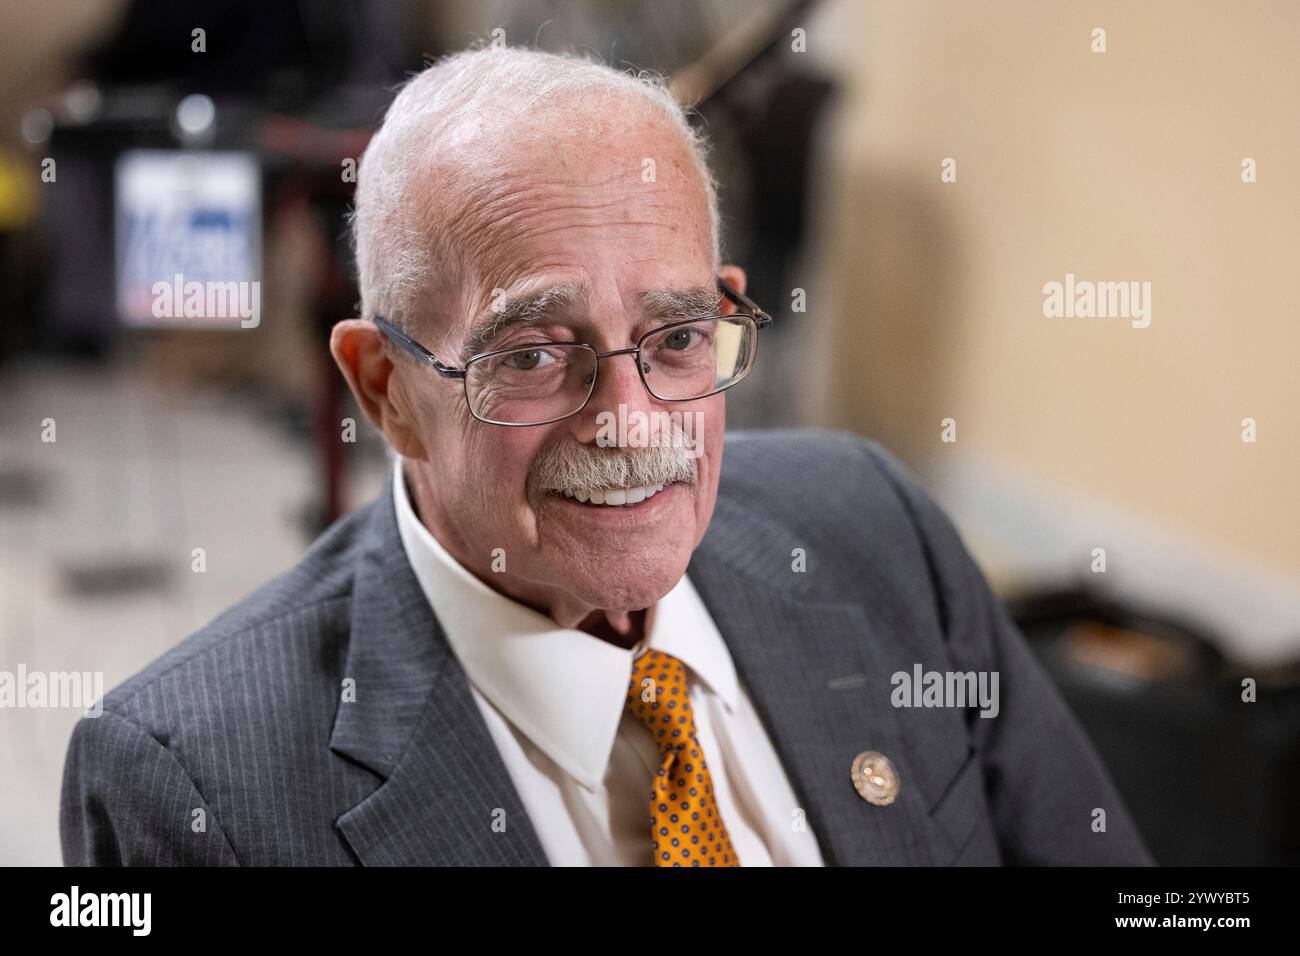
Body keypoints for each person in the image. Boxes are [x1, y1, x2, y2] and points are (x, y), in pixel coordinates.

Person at [60, 47, 1150, 867]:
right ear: (385, 389)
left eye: (676, 338)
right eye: (534, 354)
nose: (633, 422)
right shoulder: (189, 784)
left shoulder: (872, 524)